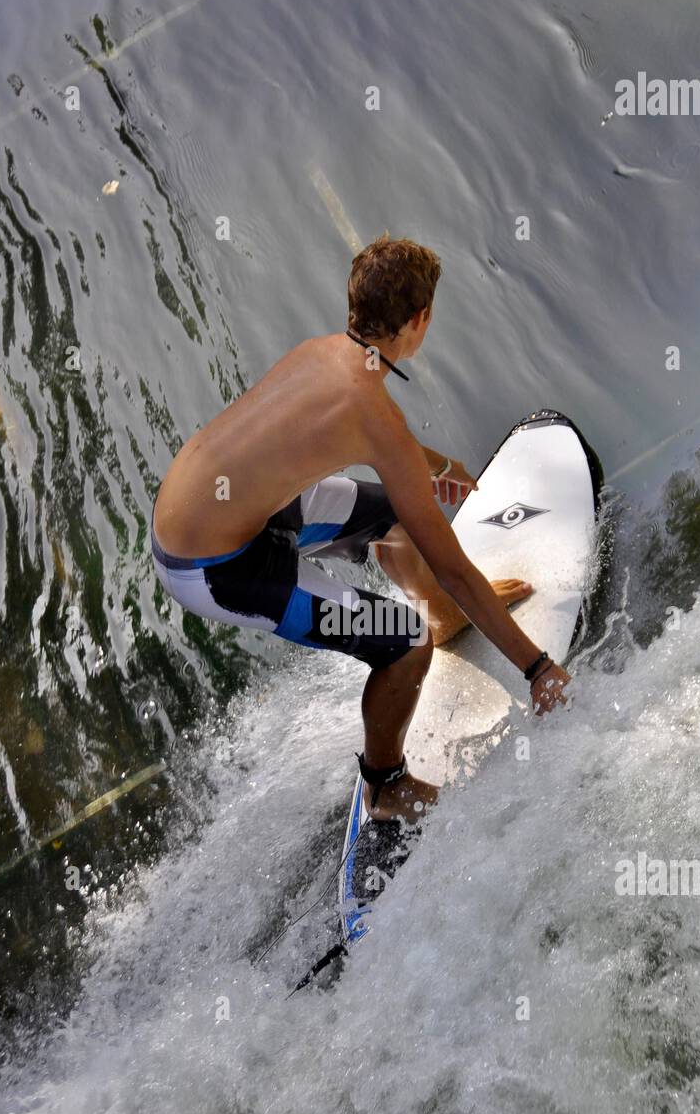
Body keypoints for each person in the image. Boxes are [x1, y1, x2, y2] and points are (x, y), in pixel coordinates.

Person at [152, 236, 569, 821]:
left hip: (205, 514)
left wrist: (439, 466)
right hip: (214, 568)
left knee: (393, 516)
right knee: (404, 643)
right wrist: (538, 669)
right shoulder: (372, 414)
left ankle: (444, 621)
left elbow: (381, 438)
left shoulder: (319, 353)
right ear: (420, 320)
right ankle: (386, 786)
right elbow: (449, 562)